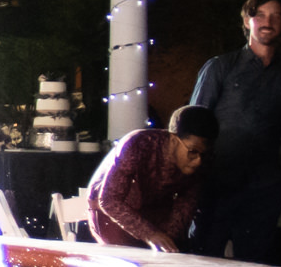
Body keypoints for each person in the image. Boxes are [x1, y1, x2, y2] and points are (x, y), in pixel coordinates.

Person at [187, 0, 281, 262]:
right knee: (201, 262)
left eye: (275, 16)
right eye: (260, 15)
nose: (267, 22)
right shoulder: (220, 67)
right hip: (216, 183)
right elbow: (193, 124)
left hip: (264, 189)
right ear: (247, 21)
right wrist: (195, 174)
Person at [79, 105, 215, 249]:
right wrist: (150, 234)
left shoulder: (202, 164)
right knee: (131, 262)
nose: (198, 161)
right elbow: (108, 200)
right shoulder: (138, 144)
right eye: (193, 151)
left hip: (152, 215)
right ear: (174, 140)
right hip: (110, 214)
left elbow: (183, 211)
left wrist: (169, 245)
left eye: (204, 154)